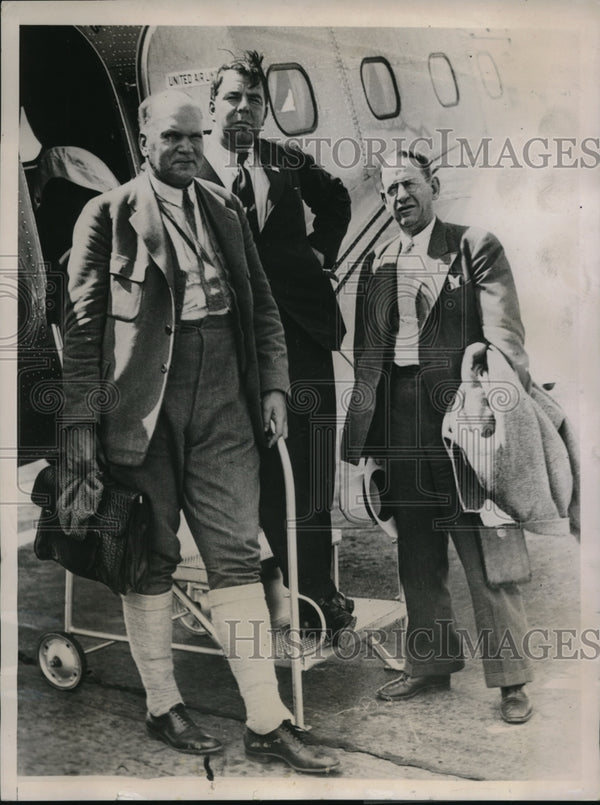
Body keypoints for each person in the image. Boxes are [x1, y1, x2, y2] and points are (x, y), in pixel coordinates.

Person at [60, 89, 339, 773]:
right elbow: (83, 329)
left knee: (236, 556)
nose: (186, 148)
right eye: (171, 138)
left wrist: (273, 384)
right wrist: (80, 429)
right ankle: (162, 703)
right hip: (142, 412)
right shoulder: (106, 216)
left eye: (194, 136)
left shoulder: (225, 209)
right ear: (145, 141)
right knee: (150, 557)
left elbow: (263, 307)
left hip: (224, 407)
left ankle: (267, 721)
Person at [341, 148, 534, 724]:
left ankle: (512, 680)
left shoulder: (474, 245)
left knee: (485, 547)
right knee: (417, 548)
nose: (399, 198)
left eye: (408, 185)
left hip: (463, 414)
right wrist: (366, 442)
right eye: (389, 190)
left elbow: (507, 339)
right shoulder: (377, 261)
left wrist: (488, 381)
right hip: (401, 417)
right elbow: (367, 359)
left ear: (434, 185)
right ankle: (429, 664)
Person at [199, 51, 355, 641]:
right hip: (237, 345)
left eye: (254, 101)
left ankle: (317, 594)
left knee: (312, 467)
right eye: (233, 98)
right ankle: (287, 585)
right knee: (262, 466)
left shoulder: (282, 160)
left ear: (265, 111)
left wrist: (319, 253)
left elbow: (336, 198)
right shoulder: (194, 168)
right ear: (213, 105)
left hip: (304, 335)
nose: (243, 109)